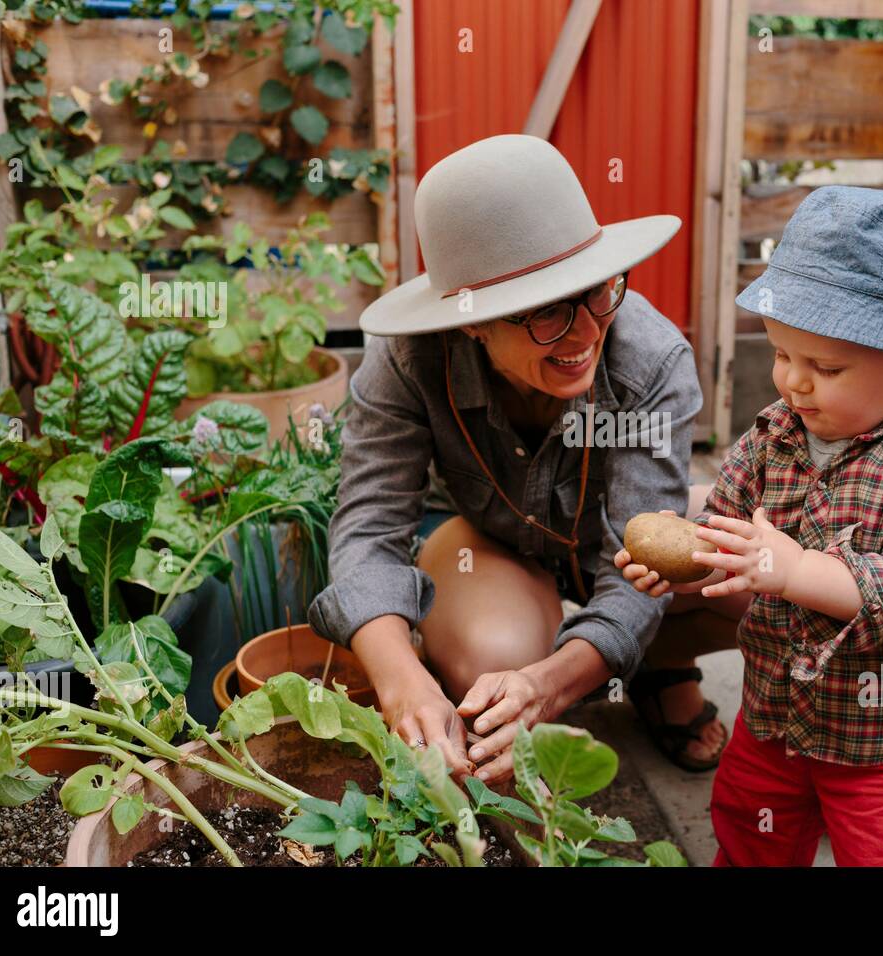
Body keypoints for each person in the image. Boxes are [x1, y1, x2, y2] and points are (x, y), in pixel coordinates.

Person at [308, 134, 729, 785]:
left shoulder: (651, 358)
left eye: (597, 292)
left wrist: (552, 686)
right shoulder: (408, 360)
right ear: (471, 322)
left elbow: (639, 559)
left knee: (757, 569)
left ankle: (657, 664)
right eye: (548, 314)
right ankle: (585, 660)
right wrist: (402, 684)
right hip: (492, 544)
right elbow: (367, 528)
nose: (588, 332)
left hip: (614, 547)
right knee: (490, 654)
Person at [617, 186, 883, 865]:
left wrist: (797, 571)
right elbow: (727, 532)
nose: (793, 382)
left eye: (827, 367)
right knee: (751, 838)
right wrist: (684, 562)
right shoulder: (770, 437)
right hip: (776, 717)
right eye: (783, 354)